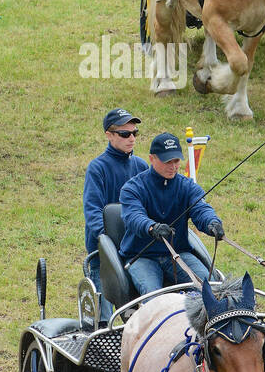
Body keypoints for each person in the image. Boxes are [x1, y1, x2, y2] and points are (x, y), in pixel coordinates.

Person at [119, 132, 225, 295]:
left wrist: (212, 223)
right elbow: (133, 216)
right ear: (152, 158)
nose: (173, 166)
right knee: (153, 295)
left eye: (176, 161)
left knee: (211, 289)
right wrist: (152, 227)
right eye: (167, 161)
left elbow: (201, 209)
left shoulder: (188, 186)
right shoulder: (132, 188)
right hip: (142, 257)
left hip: (179, 254)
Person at [84, 108, 148, 319]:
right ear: (109, 135)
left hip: (136, 254)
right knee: (102, 322)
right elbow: (93, 212)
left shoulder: (141, 166)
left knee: (137, 319)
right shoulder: (97, 168)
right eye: (124, 134)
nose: (131, 138)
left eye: (135, 133)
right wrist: (110, 246)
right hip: (103, 257)